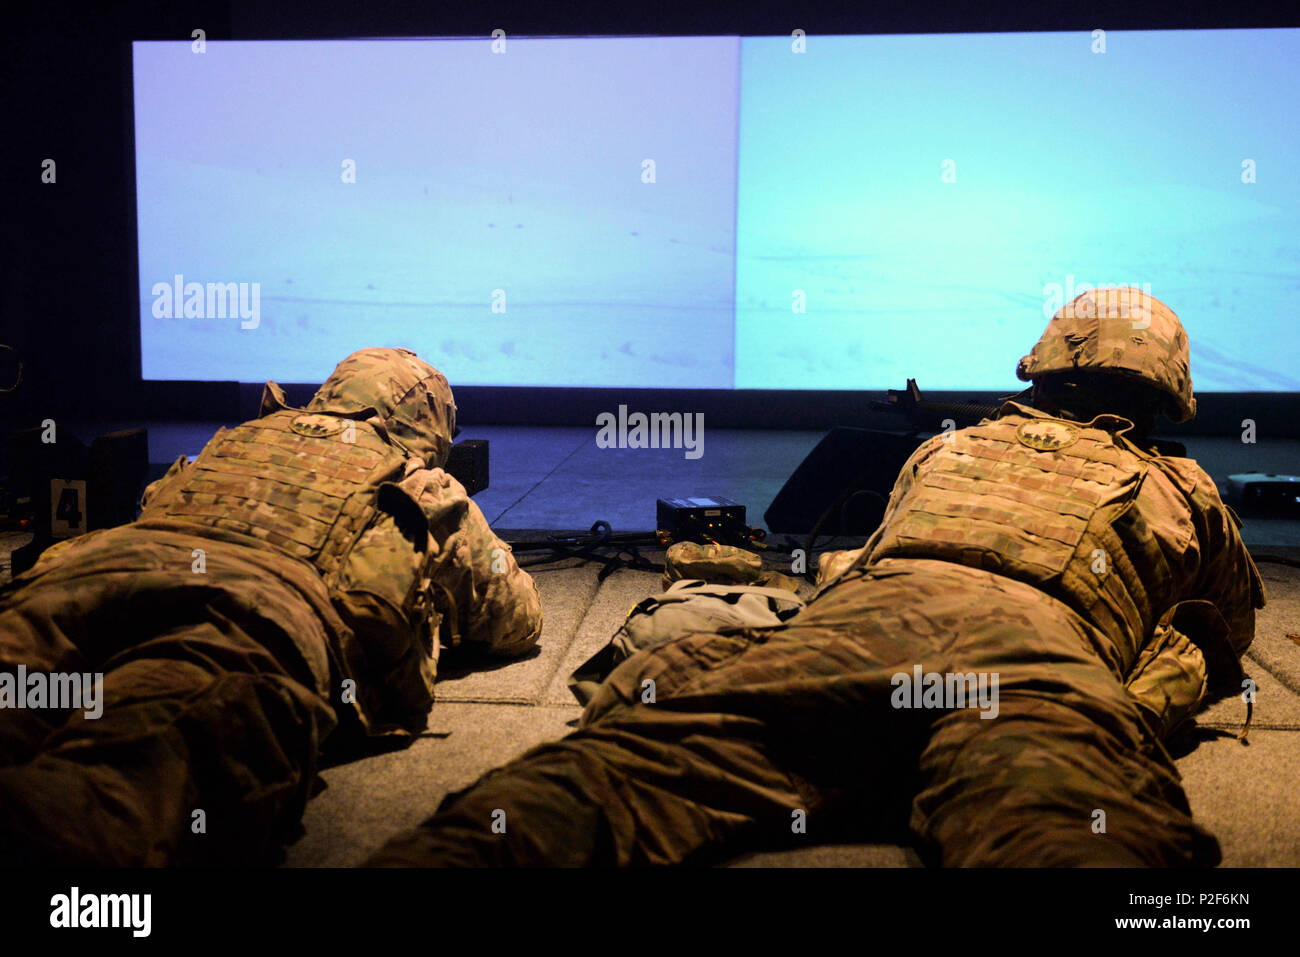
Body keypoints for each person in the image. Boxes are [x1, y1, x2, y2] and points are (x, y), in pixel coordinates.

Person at [367, 287, 1265, 867]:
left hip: (861, 626)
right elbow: (1225, 627)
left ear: (1048, 360)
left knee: (611, 774)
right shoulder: (1181, 487)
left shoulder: (947, 452)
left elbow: (868, 557)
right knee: (1070, 834)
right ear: (1166, 390)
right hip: (1031, 659)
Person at [0, 347, 541, 865]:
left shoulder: (239, 439)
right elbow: (515, 620)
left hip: (92, 572)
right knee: (112, 787)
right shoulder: (418, 482)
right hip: (248, 615)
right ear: (429, 425)